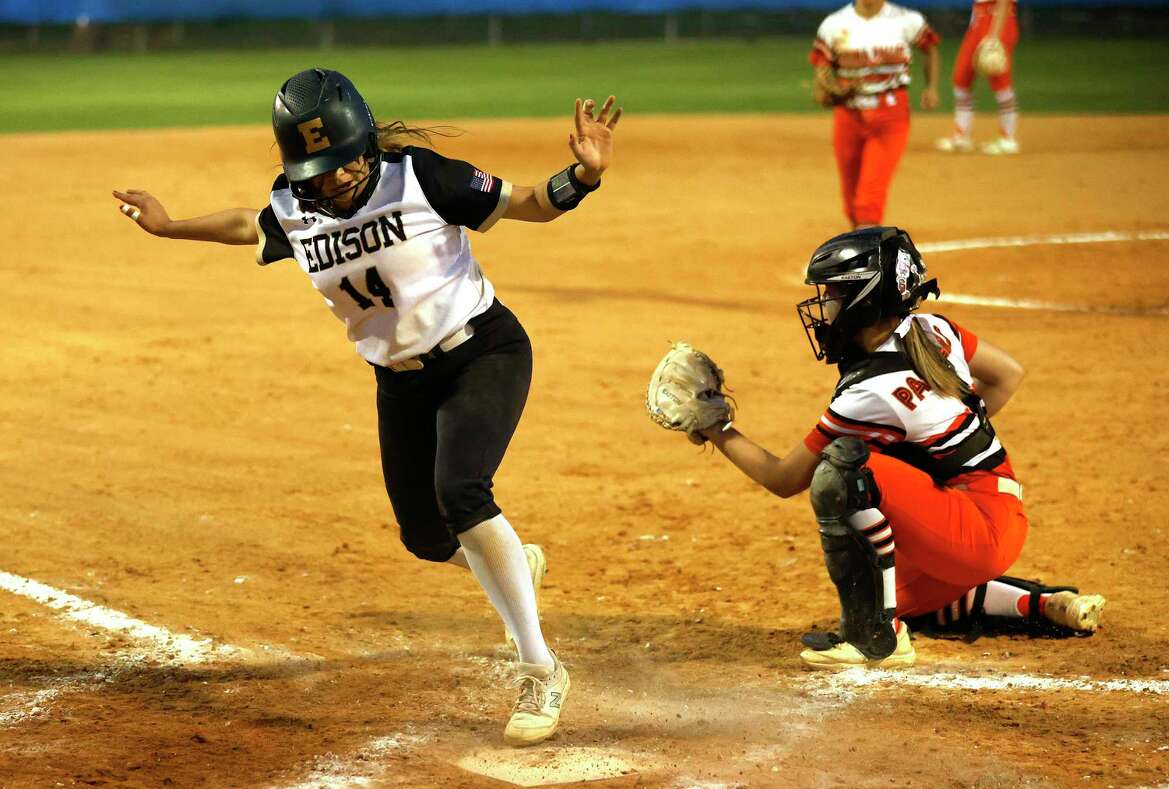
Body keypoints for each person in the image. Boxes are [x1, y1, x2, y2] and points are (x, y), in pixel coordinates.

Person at [112, 68, 622, 743]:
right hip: (400, 382)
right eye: (318, 170)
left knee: (463, 493)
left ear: (366, 144)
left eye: (345, 162)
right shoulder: (296, 205)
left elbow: (528, 202)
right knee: (425, 536)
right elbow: (248, 224)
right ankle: (508, 562)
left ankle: (540, 670)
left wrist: (582, 177)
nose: (335, 180)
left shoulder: (421, 179)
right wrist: (171, 226)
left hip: (482, 353)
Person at [649, 227, 1105, 668]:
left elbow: (783, 479)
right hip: (991, 514)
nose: (823, 305)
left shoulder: (871, 391)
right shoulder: (932, 329)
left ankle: (875, 637)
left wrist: (716, 426)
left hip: (975, 530)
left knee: (844, 469)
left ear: (864, 300)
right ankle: (1043, 604)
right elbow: (1008, 375)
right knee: (896, 599)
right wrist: (948, 444)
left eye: (832, 294)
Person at [809, 0, 941, 229]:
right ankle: (862, 243)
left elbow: (930, 49)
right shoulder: (834, 24)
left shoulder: (906, 20)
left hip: (890, 115)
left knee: (868, 200)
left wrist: (931, 88)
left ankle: (870, 248)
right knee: (851, 200)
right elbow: (822, 71)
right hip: (848, 116)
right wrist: (826, 91)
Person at [934, 0, 1021, 155]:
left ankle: (1008, 139)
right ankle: (961, 135)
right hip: (978, 21)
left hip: (999, 21)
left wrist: (994, 36)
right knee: (961, 79)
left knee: (1000, 81)